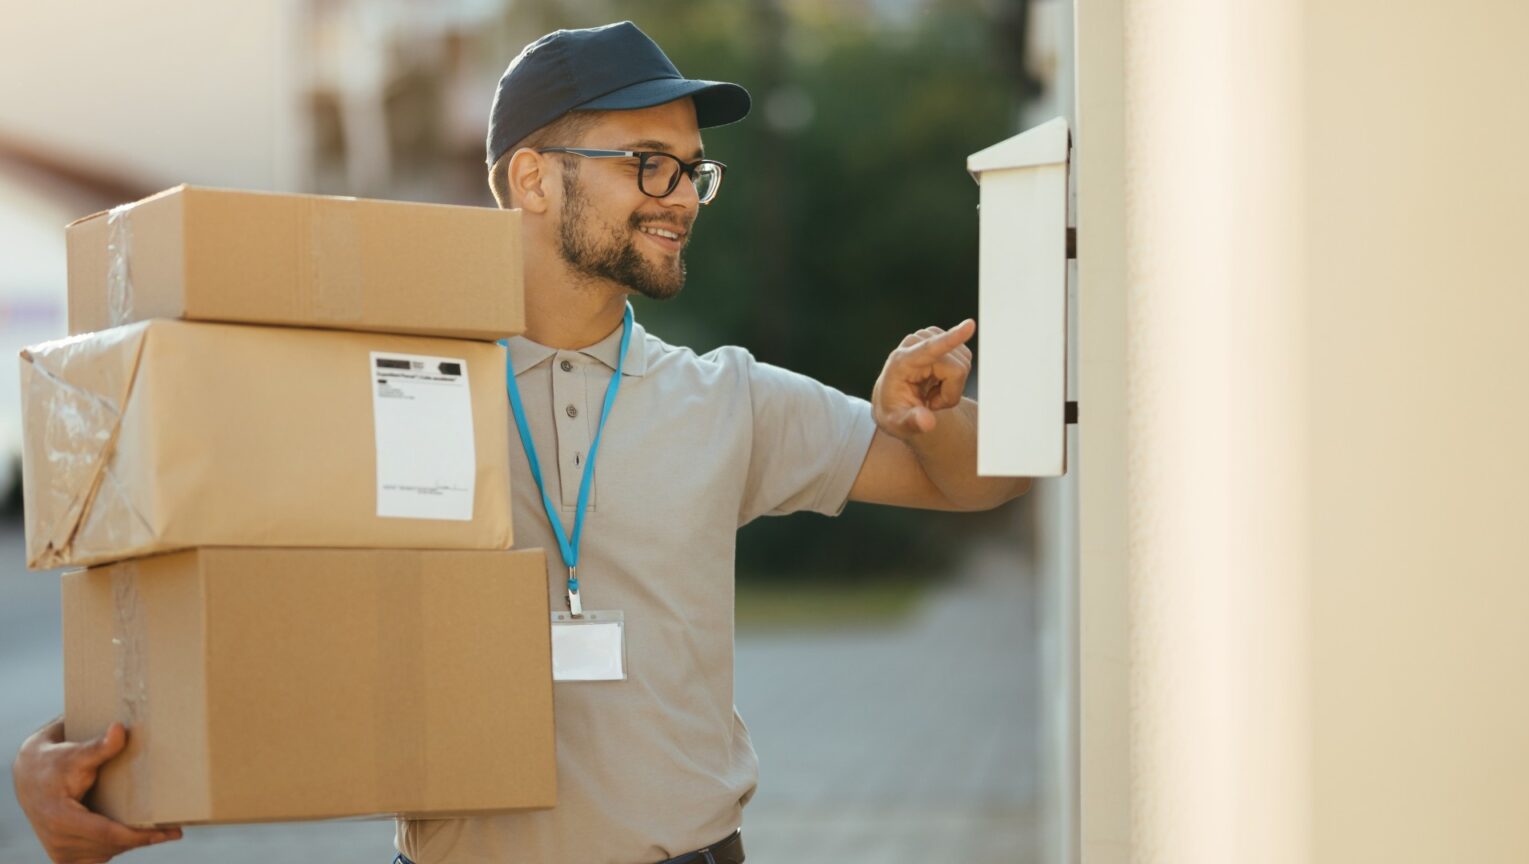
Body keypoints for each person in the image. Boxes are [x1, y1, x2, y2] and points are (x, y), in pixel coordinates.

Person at [12, 21, 1031, 864]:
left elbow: (984, 482)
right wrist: (57, 758)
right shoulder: (381, 389)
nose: (682, 196)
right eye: (649, 163)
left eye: (692, 171)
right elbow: (195, 574)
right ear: (535, 179)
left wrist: (929, 417)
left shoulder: (729, 398)